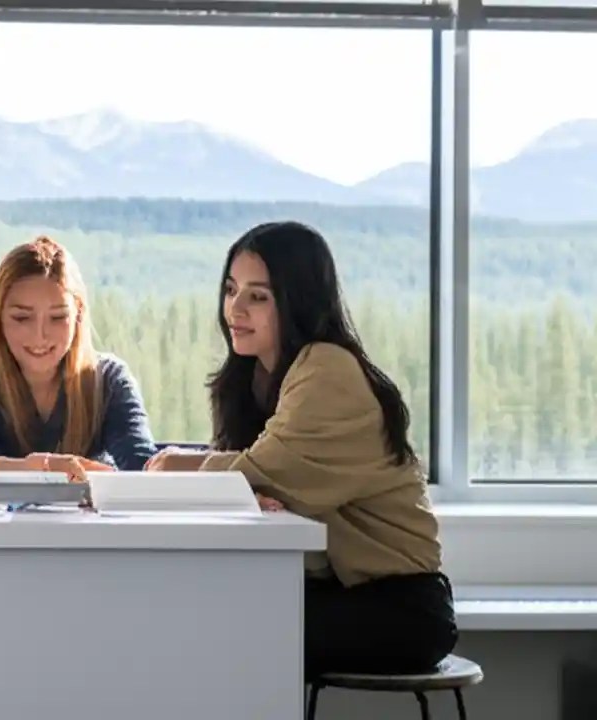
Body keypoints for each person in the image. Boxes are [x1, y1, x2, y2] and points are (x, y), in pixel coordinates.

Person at [145, 221, 457, 676]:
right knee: (189, 614)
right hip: (335, 591)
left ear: (298, 300)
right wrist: (240, 485)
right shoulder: (253, 380)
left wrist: (179, 464)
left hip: (398, 606)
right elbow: (254, 485)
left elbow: (269, 473)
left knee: (213, 631)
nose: (235, 308)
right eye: (231, 290)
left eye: (258, 296)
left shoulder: (328, 368)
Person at [0, 236, 158, 479]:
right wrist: (47, 468)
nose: (40, 336)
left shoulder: (109, 378)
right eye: (22, 318)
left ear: (78, 316)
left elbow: (141, 466)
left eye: (57, 318)